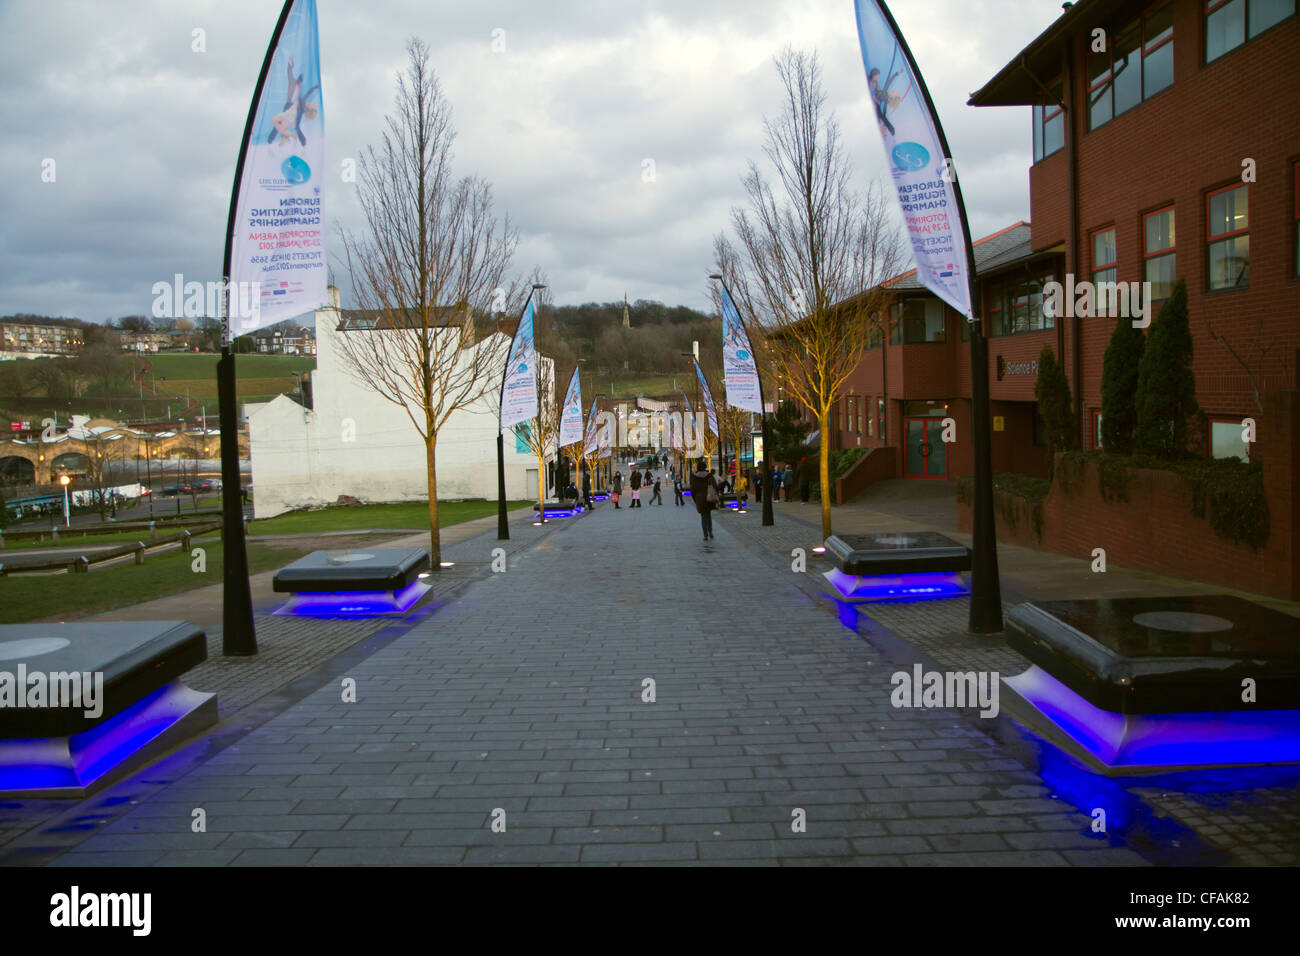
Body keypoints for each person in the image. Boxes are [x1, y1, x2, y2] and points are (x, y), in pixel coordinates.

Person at [689, 460, 720, 542]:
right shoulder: (709, 475)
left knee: (703, 516)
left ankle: (705, 535)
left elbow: (693, 490)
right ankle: (710, 532)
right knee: (708, 515)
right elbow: (715, 486)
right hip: (708, 497)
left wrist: (695, 499)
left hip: (699, 499)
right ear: (705, 467)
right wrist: (716, 495)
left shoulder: (694, 477)